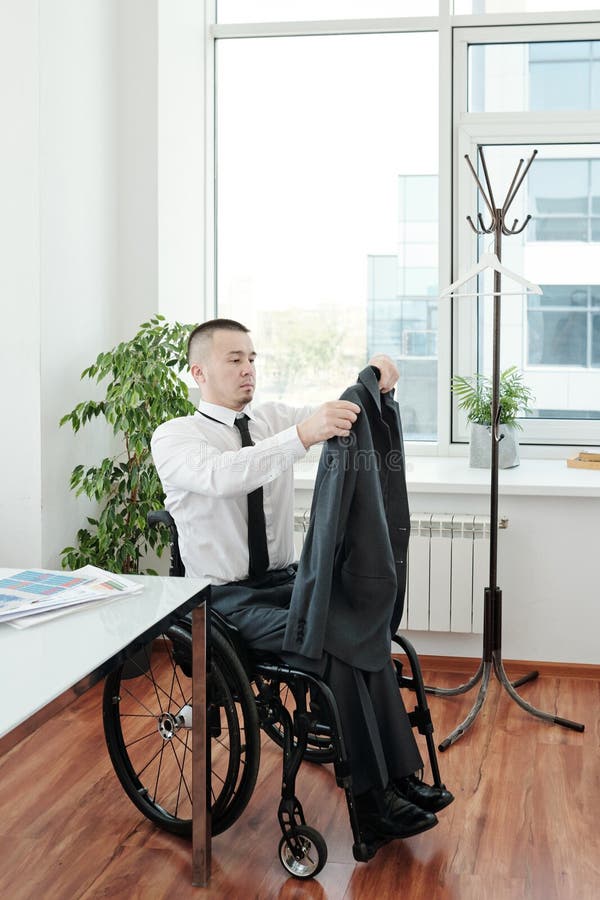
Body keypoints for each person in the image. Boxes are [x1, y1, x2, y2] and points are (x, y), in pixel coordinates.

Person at [151, 318, 452, 848]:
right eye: (234, 360)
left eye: (252, 358)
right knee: (331, 641)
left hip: (287, 581)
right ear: (199, 371)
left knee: (363, 621)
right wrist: (301, 436)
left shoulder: (269, 417)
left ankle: (400, 776)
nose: (248, 369)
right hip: (223, 599)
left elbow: (334, 414)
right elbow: (225, 474)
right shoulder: (176, 436)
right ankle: (372, 801)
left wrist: (374, 380)